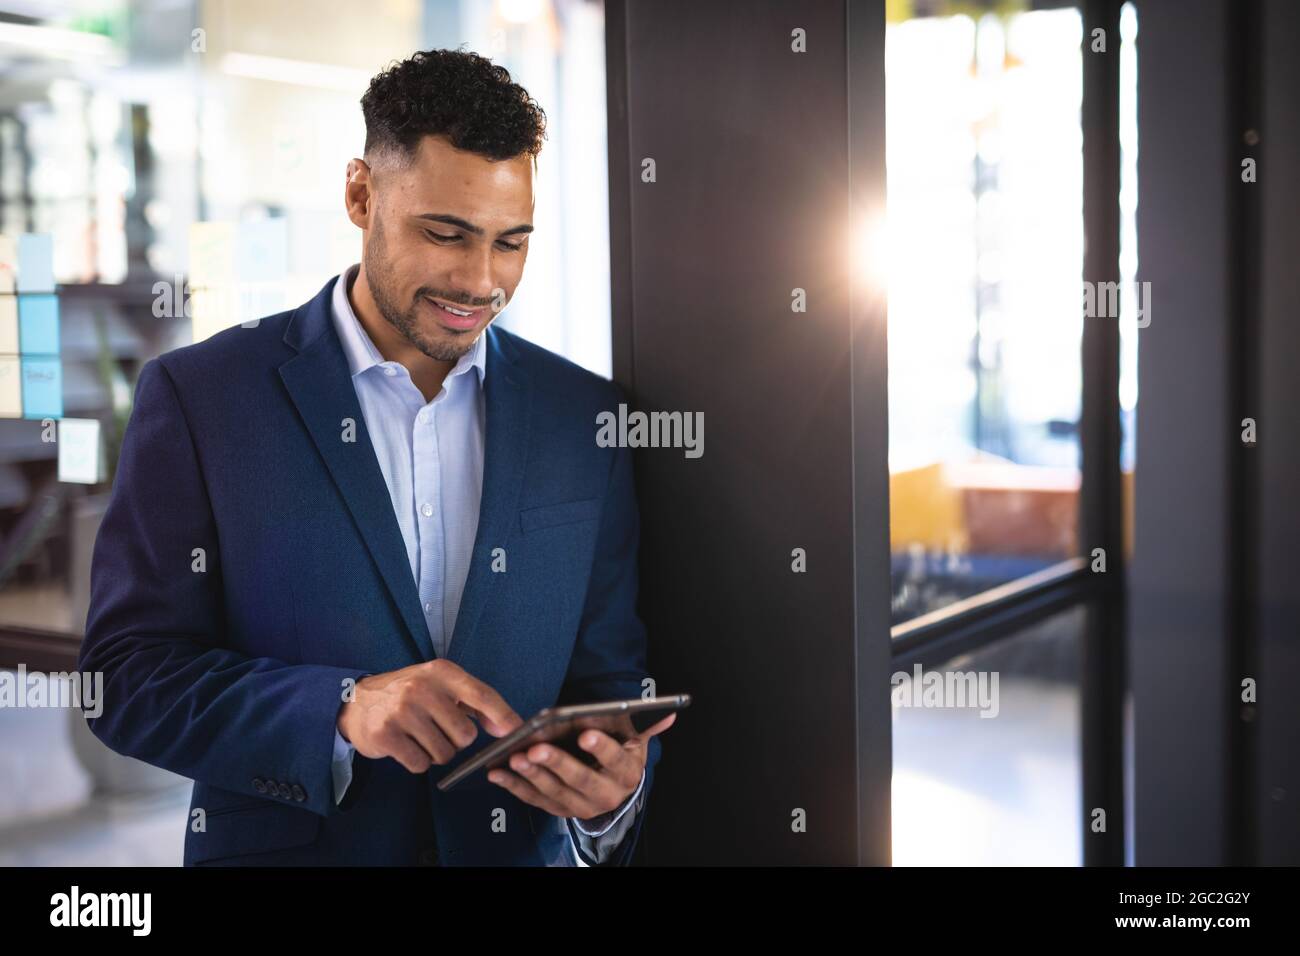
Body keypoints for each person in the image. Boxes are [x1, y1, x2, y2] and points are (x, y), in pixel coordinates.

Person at [78, 48, 673, 866]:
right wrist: (341, 708)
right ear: (360, 194)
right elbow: (124, 680)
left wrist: (611, 792)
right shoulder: (202, 397)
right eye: (445, 233)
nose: (480, 282)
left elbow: (608, 680)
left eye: (511, 243)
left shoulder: (585, 419)